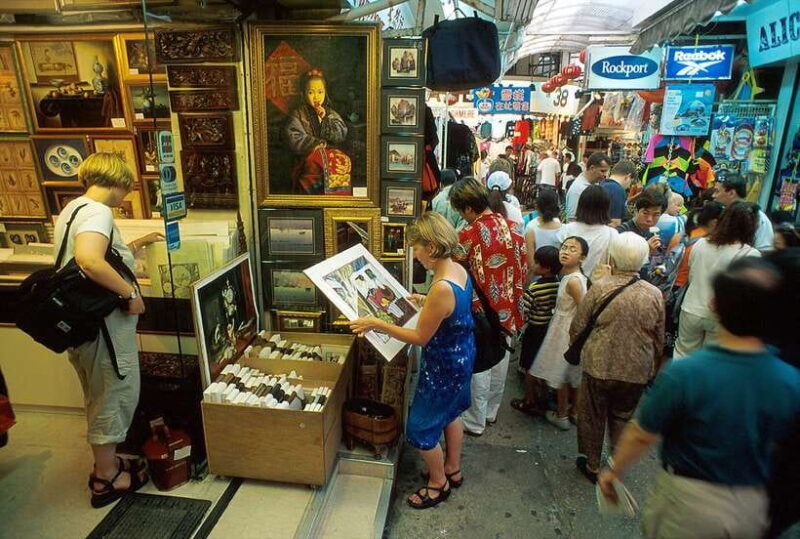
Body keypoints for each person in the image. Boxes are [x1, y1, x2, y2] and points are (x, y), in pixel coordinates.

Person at [597, 258, 800, 539]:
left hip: (690, 504)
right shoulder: (790, 380)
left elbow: (642, 434)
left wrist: (614, 470)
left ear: (714, 306)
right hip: (753, 505)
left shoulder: (686, 374)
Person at [54, 153, 163, 508]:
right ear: (116, 181)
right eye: (125, 187)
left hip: (84, 327)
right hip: (105, 328)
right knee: (114, 393)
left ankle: (108, 462)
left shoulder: (74, 210)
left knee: (98, 393)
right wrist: (129, 292)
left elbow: (95, 256)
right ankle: (106, 477)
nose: (125, 195)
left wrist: (137, 243)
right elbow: (88, 260)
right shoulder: (100, 212)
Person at [350, 213, 473, 510]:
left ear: (430, 247)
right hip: (461, 355)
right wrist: (424, 300)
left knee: (419, 429)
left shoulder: (442, 287)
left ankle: (438, 482)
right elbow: (448, 310)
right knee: (451, 412)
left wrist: (375, 323)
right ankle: (453, 468)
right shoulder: (455, 269)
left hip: (444, 365)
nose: (414, 254)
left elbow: (418, 336)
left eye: (416, 248)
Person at [571, 233, 665, 483]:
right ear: (644, 260)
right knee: (623, 415)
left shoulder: (601, 287)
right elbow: (659, 336)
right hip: (636, 368)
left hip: (599, 364)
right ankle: (616, 463)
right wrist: (653, 366)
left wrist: (574, 348)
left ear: (612, 256)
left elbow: (579, 325)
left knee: (592, 414)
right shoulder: (654, 293)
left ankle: (591, 464)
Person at [450, 177, 527, 436]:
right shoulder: (515, 228)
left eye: (461, 210)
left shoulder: (468, 234)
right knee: (501, 357)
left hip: (480, 311)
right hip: (508, 307)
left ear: (469, 208)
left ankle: (474, 420)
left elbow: (457, 272)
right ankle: (492, 411)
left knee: (480, 363)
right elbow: (522, 269)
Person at [673, 201, 761, 358]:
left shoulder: (700, 243)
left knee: (683, 353)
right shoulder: (750, 254)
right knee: (711, 358)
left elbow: (691, 275)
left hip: (691, 307)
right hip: (721, 314)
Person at [529, 236, 589, 430]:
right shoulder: (571, 277)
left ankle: (562, 413)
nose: (565, 251)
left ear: (583, 257)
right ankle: (575, 411)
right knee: (571, 373)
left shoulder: (573, 281)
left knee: (559, 372)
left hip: (565, 330)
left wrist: (573, 333)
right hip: (564, 327)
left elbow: (584, 310)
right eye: (564, 247)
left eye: (573, 249)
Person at [510, 246, 562, 415]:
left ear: (546, 268)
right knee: (543, 364)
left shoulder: (534, 288)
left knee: (529, 366)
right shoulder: (559, 284)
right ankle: (544, 398)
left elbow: (524, 311)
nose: (535, 265)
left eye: (538, 263)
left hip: (534, 329)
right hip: (549, 328)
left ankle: (530, 400)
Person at [286, 69, 349, 195]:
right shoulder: (298, 114)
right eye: (311, 92)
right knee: (316, 163)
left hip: (330, 154)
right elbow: (294, 137)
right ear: (303, 94)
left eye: (320, 92)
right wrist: (316, 144)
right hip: (307, 157)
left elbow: (342, 133)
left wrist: (325, 119)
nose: (316, 97)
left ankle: (337, 200)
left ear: (325, 93)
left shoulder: (330, 113)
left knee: (343, 160)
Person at [557, 185, 619, 277]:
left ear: (581, 204)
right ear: (606, 208)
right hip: (597, 286)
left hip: (568, 284)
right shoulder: (611, 234)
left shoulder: (566, 230)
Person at [712, 175, 774, 251]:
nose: (713, 195)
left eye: (717, 191)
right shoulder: (717, 212)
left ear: (731, 193)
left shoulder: (757, 216)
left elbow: (764, 250)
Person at [616, 188, 668, 277]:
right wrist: (645, 250)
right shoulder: (621, 233)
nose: (649, 219)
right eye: (645, 213)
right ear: (636, 210)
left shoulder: (651, 234)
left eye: (656, 215)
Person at [674, 201, 725, 289]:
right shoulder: (705, 244)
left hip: (673, 283)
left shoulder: (681, 235)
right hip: (685, 287)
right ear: (715, 222)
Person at [524, 189, 562, 280]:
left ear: (537, 206)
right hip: (556, 279)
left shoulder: (531, 227)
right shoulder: (560, 226)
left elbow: (531, 263)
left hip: (537, 279)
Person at [565, 152, 611, 221]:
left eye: (606, 172)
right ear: (592, 168)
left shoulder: (595, 184)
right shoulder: (577, 189)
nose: (605, 175)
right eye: (602, 171)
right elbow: (572, 220)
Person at [601, 160, 637, 227]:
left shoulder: (601, 185)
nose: (629, 186)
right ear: (628, 177)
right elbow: (615, 223)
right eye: (631, 182)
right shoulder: (618, 190)